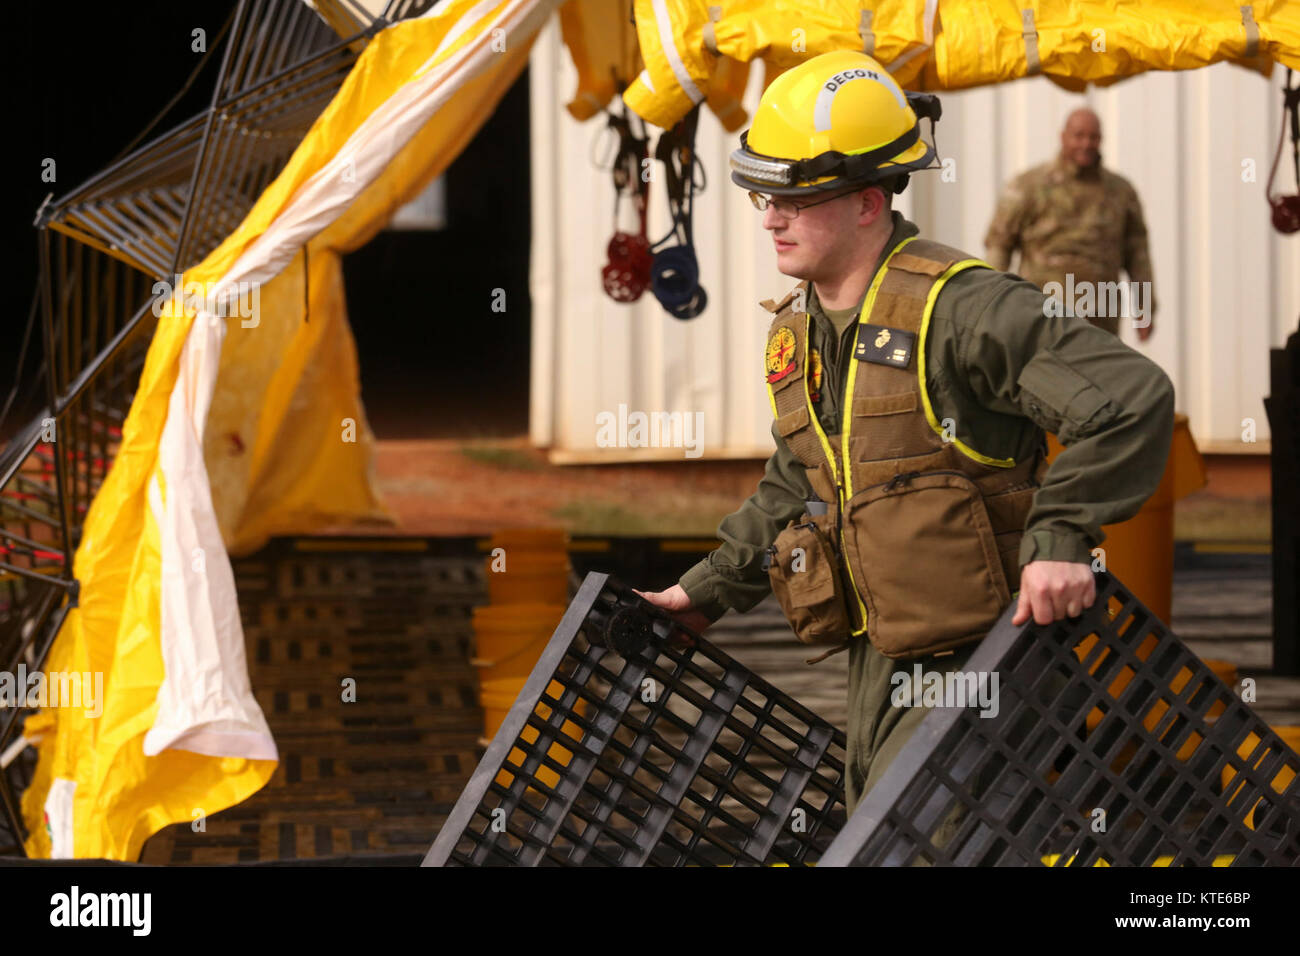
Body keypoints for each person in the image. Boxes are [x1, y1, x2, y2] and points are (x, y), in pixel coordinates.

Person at [635, 50, 1175, 824]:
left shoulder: (966, 309)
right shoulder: (802, 329)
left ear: (866, 201)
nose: (771, 217)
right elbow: (798, 482)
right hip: (881, 661)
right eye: (765, 196)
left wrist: (1059, 539)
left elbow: (1129, 399)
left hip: (985, 668)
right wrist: (704, 593)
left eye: (796, 197)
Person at [984, 107, 1157, 339]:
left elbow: (1138, 255)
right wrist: (990, 308)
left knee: (1099, 375)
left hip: (1100, 318)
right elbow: (999, 246)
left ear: (1101, 140)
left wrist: (1144, 310)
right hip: (1042, 314)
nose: (1086, 144)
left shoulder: (1120, 192)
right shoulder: (1029, 186)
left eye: (1093, 137)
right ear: (1063, 137)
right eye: (1078, 136)